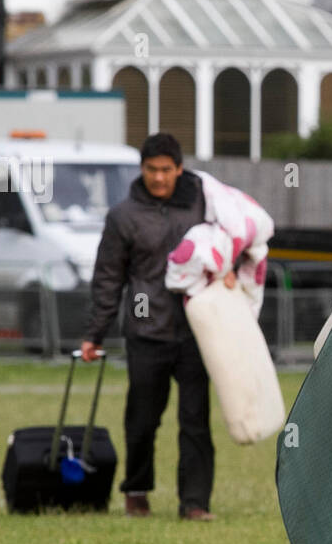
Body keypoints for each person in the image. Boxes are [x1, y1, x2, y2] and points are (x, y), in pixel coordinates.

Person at [81, 133, 231, 522]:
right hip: (146, 331)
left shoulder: (204, 202)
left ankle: (195, 503)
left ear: (179, 169)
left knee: (195, 420)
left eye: (167, 170)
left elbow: (237, 237)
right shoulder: (123, 216)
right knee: (143, 419)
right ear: (141, 169)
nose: (160, 178)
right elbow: (108, 278)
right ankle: (137, 490)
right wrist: (95, 334)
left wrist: (234, 272)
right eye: (152, 170)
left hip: (197, 331)